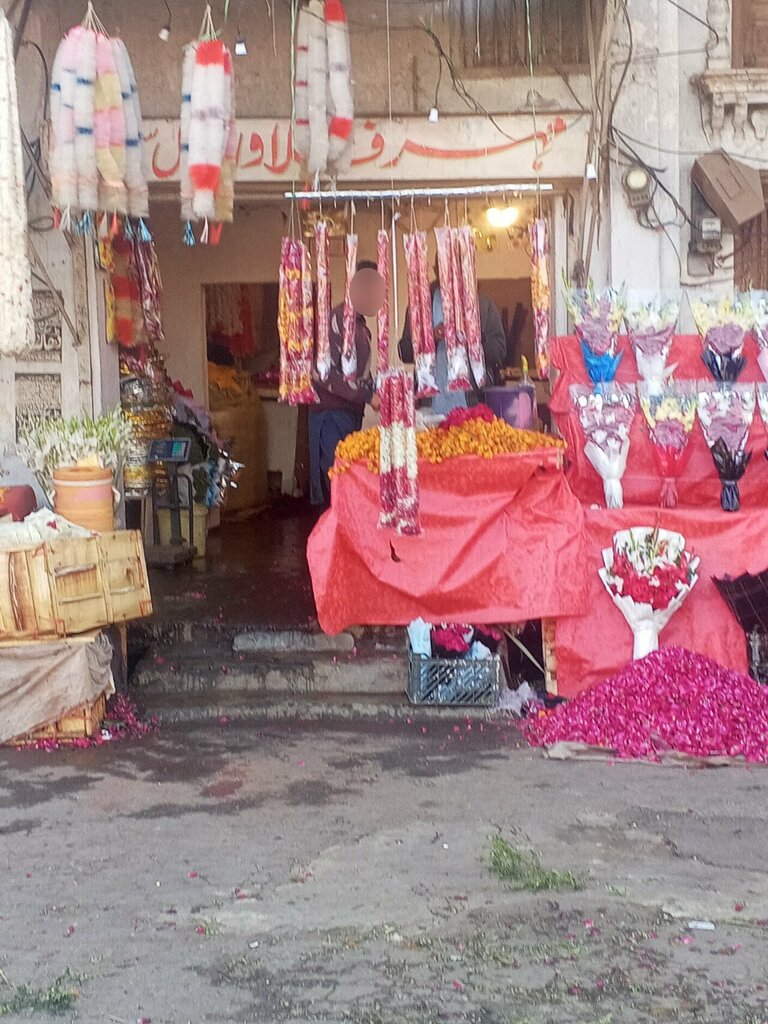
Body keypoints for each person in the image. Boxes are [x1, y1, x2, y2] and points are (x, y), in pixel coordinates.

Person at [309, 260, 383, 509]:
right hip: (330, 415)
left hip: (350, 415)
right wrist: (366, 395)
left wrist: (380, 392)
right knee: (334, 483)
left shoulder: (361, 327)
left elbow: (361, 374)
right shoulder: (335, 320)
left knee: (346, 482)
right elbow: (322, 372)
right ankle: (329, 545)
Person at [398, 258, 506, 415]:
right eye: (444, 268)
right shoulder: (420, 306)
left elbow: (499, 352)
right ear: (436, 270)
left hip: (473, 405)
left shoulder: (482, 305)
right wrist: (429, 338)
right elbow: (405, 352)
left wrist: (474, 339)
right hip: (430, 405)